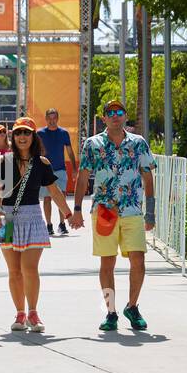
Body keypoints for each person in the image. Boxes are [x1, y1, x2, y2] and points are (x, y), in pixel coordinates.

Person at [74, 99, 156, 331]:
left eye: (119, 111)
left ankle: (132, 306)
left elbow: (148, 177)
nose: (115, 116)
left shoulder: (138, 143)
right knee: (107, 262)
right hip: (105, 211)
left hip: (132, 209)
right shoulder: (93, 144)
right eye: (110, 112)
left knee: (138, 260)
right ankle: (111, 312)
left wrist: (150, 212)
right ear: (103, 119)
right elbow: (82, 177)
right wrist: (77, 210)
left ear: (126, 116)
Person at [0, 117, 80, 332]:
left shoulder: (42, 163)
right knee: (14, 270)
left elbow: (54, 192)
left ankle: (33, 312)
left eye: (27, 133)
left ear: (33, 136)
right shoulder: (2, 162)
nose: (22, 137)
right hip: (8, 218)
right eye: (19, 133)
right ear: (13, 137)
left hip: (32, 216)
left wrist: (69, 214)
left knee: (30, 269)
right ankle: (20, 314)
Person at [38, 108, 78, 237]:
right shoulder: (40, 133)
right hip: (45, 169)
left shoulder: (63, 133)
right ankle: (49, 225)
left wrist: (74, 169)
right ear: (46, 119)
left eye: (54, 118)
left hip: (60, 169)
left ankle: (62, 224)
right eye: (49, 119)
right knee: (47, 198)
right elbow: (36, 151)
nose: (52, 121)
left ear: (57, 119)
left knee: (62, 197)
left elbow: (70, 151)